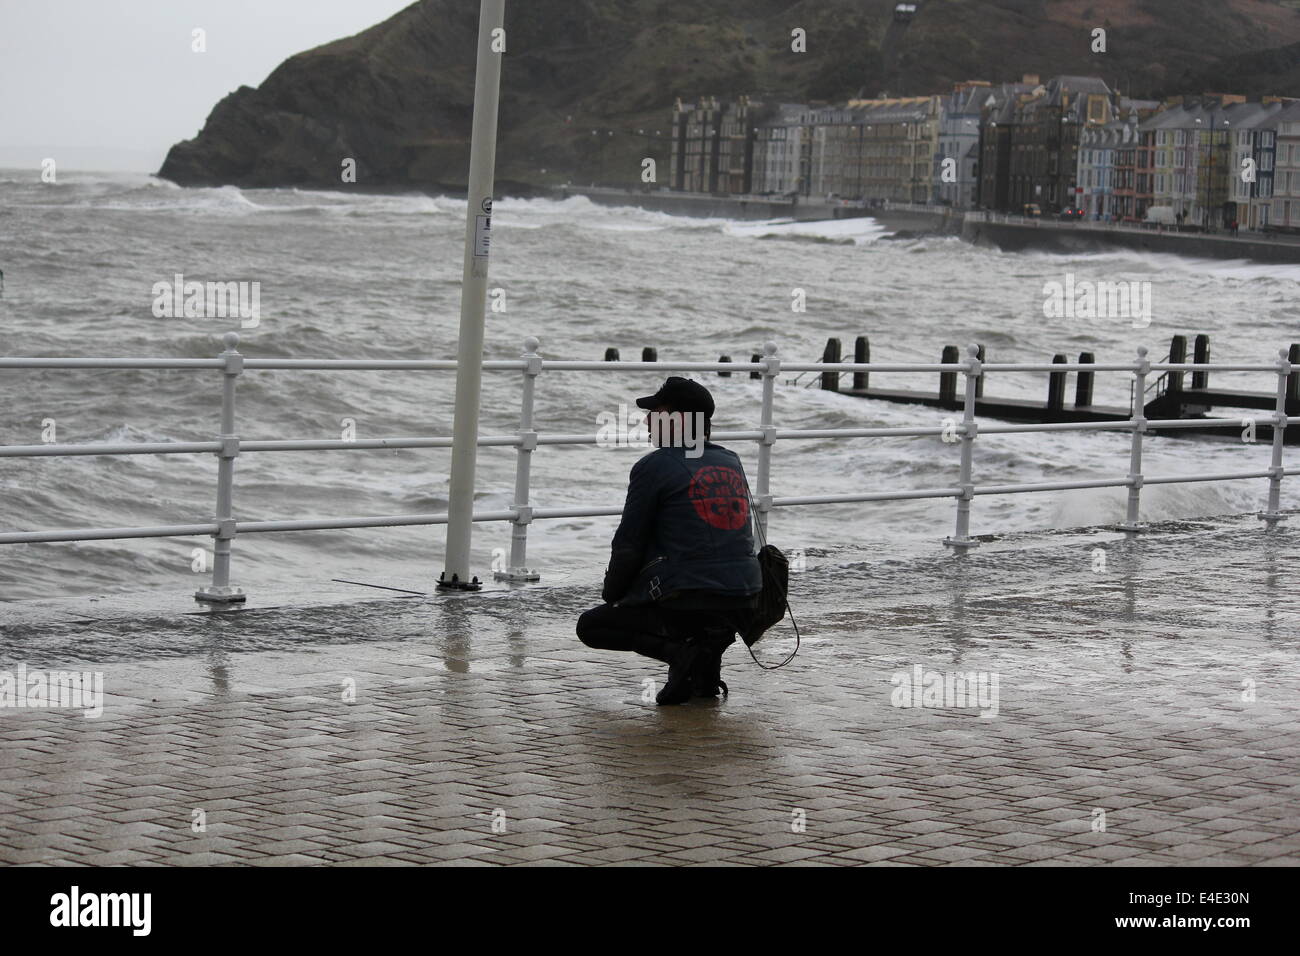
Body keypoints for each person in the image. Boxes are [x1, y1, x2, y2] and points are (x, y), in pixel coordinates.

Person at [577, 376, 762, 705]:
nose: (647, 421)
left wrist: (613, 595)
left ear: (677, 420)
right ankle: (704, 668)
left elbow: (628, 543)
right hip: (744, 599)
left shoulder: (654, 466)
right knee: (694, 564)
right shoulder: (730, 460)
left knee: (591, 626)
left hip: (690, 598)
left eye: (656, 413)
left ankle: (679, 654)